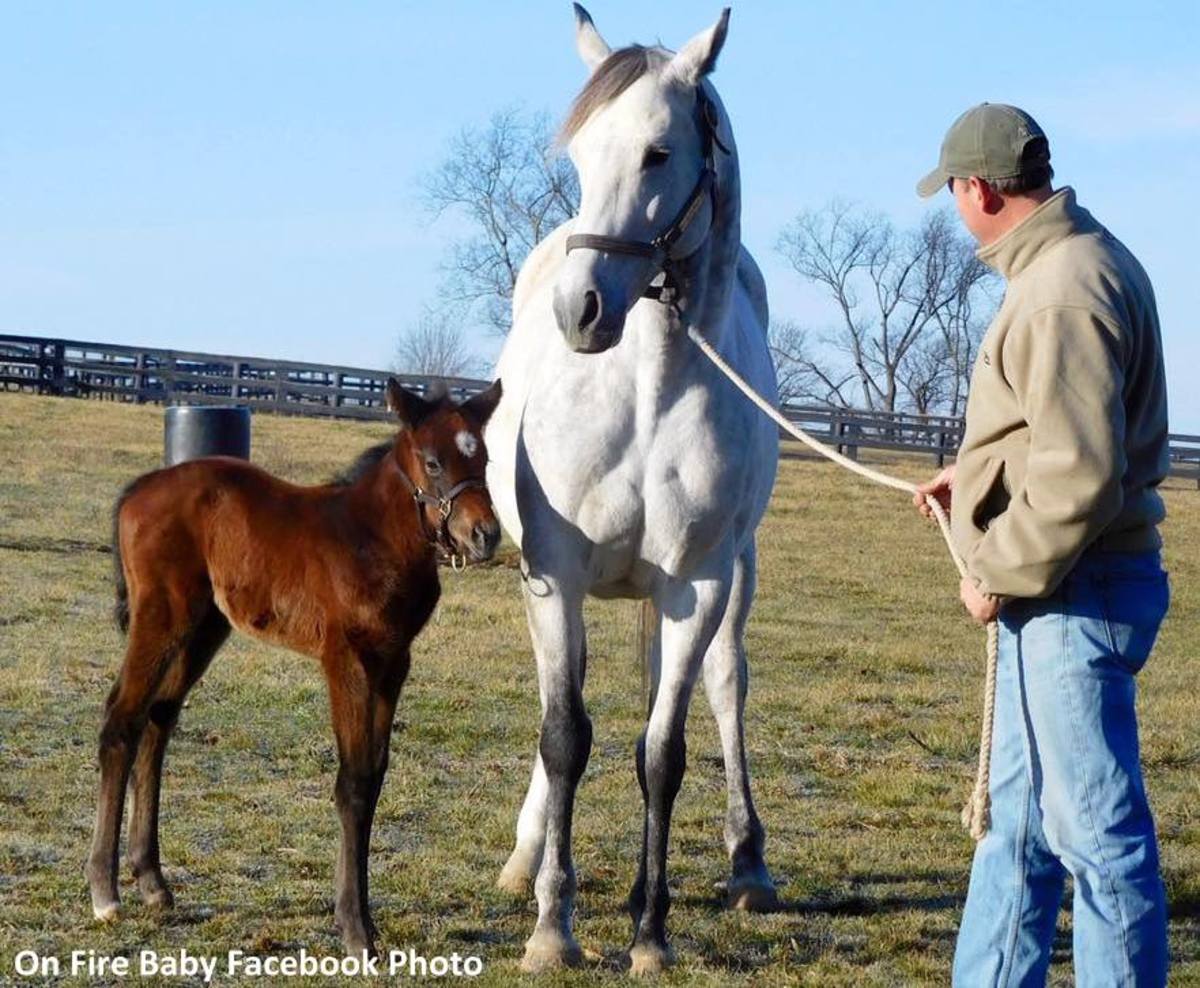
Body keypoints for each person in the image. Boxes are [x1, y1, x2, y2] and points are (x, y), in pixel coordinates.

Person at [912, 103, 1172, 986]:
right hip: (1063, 586)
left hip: (1072, 592)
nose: (955, 206)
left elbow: (1080, 476)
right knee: (1017, 833)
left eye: (953, 190)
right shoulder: (1078, 262)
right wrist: (979, 478)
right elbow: (1059, 434)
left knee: (1098, 843)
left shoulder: (1061, 290)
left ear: (980, 190)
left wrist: (994, 570)